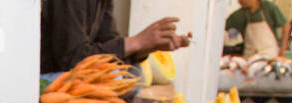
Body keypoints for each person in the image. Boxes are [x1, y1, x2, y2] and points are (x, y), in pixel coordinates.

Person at [41, 1, 190, 75]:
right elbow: (72, 59)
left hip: (73, 73)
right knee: (118, 78)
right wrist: (137, 41)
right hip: (48, 79)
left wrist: (147, 46)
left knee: (133, 72)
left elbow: (108, 43)